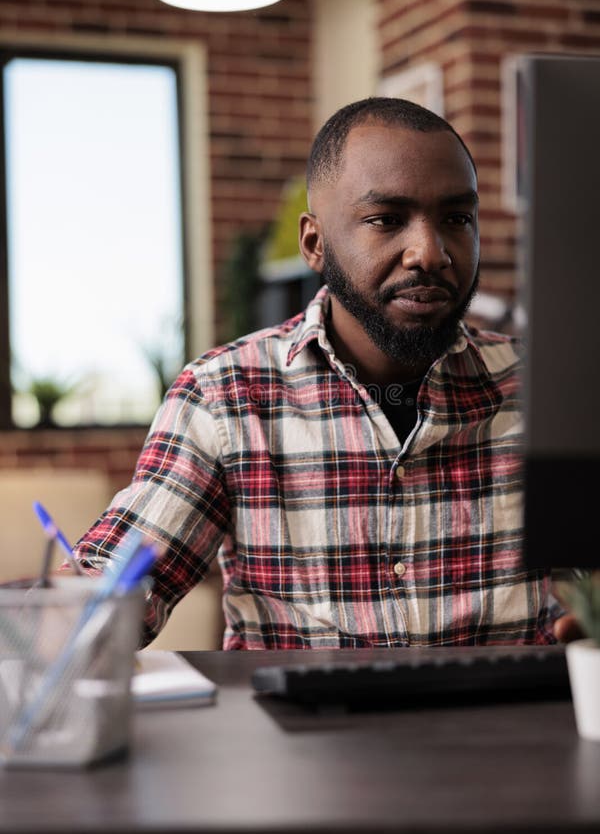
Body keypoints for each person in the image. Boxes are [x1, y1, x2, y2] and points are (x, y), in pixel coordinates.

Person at [71, 97, 577, 648]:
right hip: (299, 709)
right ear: (315, 243)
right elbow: (115, 591)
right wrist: (63, 609)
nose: (429, 253)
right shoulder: (226, 395)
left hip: (513, 708)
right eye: (386, 220)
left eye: (457, 218)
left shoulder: (546, 388)